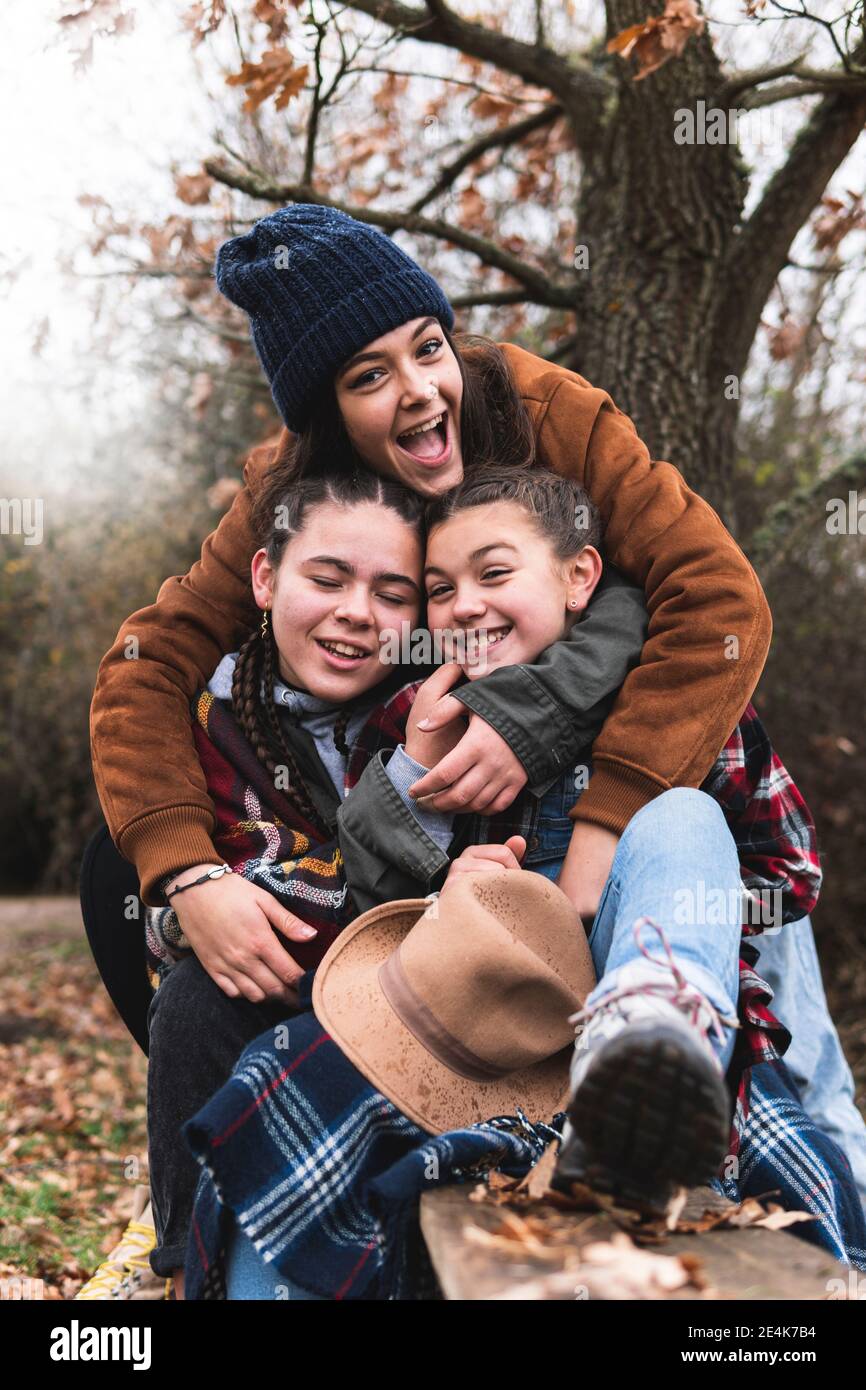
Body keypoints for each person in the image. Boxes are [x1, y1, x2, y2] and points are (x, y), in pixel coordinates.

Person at [178, 465, 866, 1299]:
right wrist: (444, 881)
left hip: (632, 997)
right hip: (478, 1031)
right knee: (288, 1156)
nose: (464, 604)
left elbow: (785, 875)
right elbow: (364, 908)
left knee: (682, 817)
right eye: (438, 588)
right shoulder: (417, 715)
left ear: (580, 578)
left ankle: (647, 1040)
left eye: (494, 573)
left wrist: (644, 884)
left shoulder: (665, 699)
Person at [144, 465, 647, 1296]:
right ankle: (182, 1259)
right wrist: (193, 889)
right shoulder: (212, 716)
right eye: (328, 580)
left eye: (393, 592)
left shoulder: (435, 696)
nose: (357, 614)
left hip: (423, 988)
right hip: (287, 969)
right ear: (265, 579)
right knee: (192, 994)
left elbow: (614, 617)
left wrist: (455, 870)